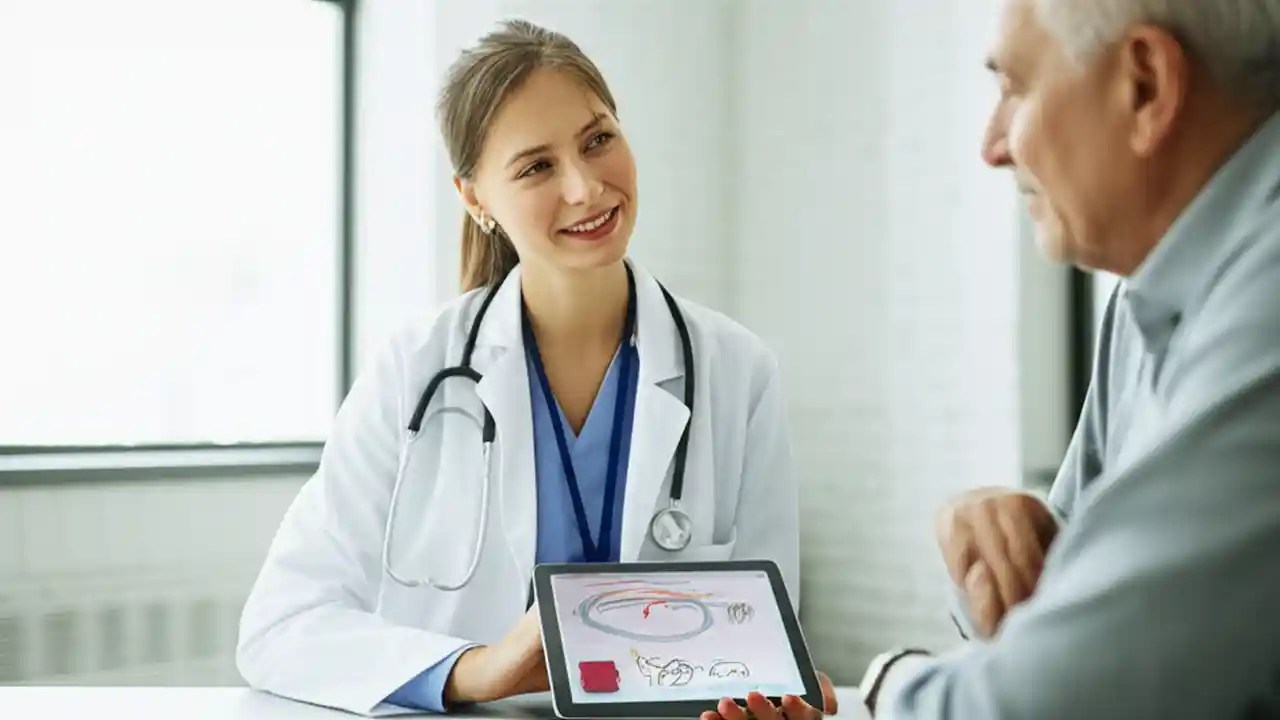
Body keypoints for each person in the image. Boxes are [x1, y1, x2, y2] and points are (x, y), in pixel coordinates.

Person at [704, 0, 1280, 718]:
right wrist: (995, 557)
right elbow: (1049, 623)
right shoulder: (1143, 308)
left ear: (1146, 85)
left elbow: (1051, 699)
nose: (993, 145)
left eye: (1015, 88)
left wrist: (885, 684)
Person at [235, 19, 802, 716]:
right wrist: (476, 671)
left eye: (598, 140)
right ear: (475, 198)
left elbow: (769, 641)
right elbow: (280, 627)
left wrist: (769, 694)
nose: (585, 189)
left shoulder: (737, 371)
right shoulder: (414, 371)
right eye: (537, 166)